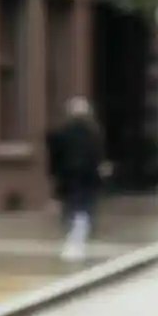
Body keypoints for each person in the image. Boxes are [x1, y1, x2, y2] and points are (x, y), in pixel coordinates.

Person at [46, 96, 105, 262]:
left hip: (68, 178)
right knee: (84, 210)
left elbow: (55, 159)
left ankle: (72, 240)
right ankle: (78, 242)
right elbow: (97, 157)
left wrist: (55, 179)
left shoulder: (61, 133)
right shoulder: (94, 133)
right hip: (87, 178)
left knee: (70, 209)